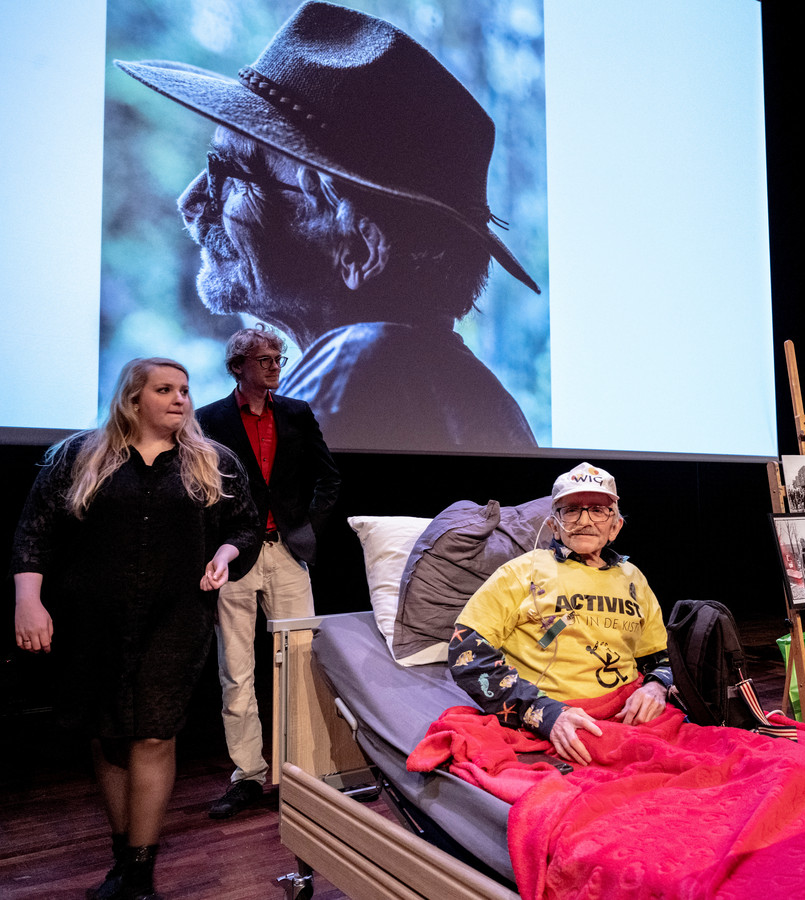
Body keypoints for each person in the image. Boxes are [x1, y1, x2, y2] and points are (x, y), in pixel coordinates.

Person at [115, 1, 541, 453]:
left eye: (233, 175)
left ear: (358, 248)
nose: (191, 201)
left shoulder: (359, 365)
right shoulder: (466, 390)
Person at [11, 358, 257, 900]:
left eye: (186, 390)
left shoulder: (213, 463)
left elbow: (244, 526)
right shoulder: (79, 457)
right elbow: (35, 532)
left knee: (153, 732)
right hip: (92, 619)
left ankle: (141, 871)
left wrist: (226, 551)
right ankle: (123, 856)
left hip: (176, 618)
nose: (180, 399)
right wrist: (28, 600)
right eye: (165, 389)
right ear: (132, 399)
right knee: (109, 734)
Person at [196, 326, 340, 819]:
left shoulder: (297, 413)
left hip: (288, 550)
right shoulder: (209, 419)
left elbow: (329, 477)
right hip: (235, 556)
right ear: (238, 366)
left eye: (278, 358)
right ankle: (249, 775)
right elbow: (197, 486)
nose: (274, 366)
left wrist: (308, 527)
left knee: (302, 663)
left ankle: (299, 767)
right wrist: (217, 542)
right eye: (264, 360)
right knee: (236, 669)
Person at [442, 462, 671, 765]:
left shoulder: (633, 578)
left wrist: (657, 685)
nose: (585, 520)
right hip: (553, 718)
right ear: (553, 525)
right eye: (572, 510)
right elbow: (465, 650)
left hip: (630, 719)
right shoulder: (521, 571)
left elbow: (661, 657)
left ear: (615, 526)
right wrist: (544, 714)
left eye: (598, 510)